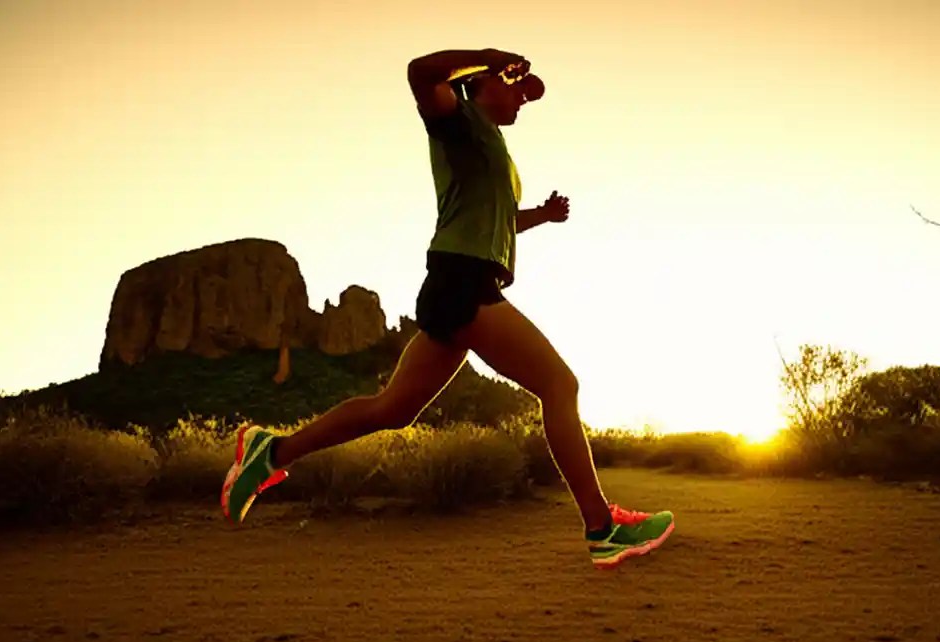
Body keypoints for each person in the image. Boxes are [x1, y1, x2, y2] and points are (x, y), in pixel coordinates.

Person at [221, 47, 674, 569]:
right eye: (516, 88)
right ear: (481, 84)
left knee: (392, 409)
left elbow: (494, 219)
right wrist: (483, 55)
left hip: (455, 283)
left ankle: (271, 453)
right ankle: (602, 527)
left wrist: (540, 217)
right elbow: (418, 72)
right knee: (559, 385)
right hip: (463, 282)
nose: (523, 100)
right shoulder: (456, 121)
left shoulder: (492, 147)